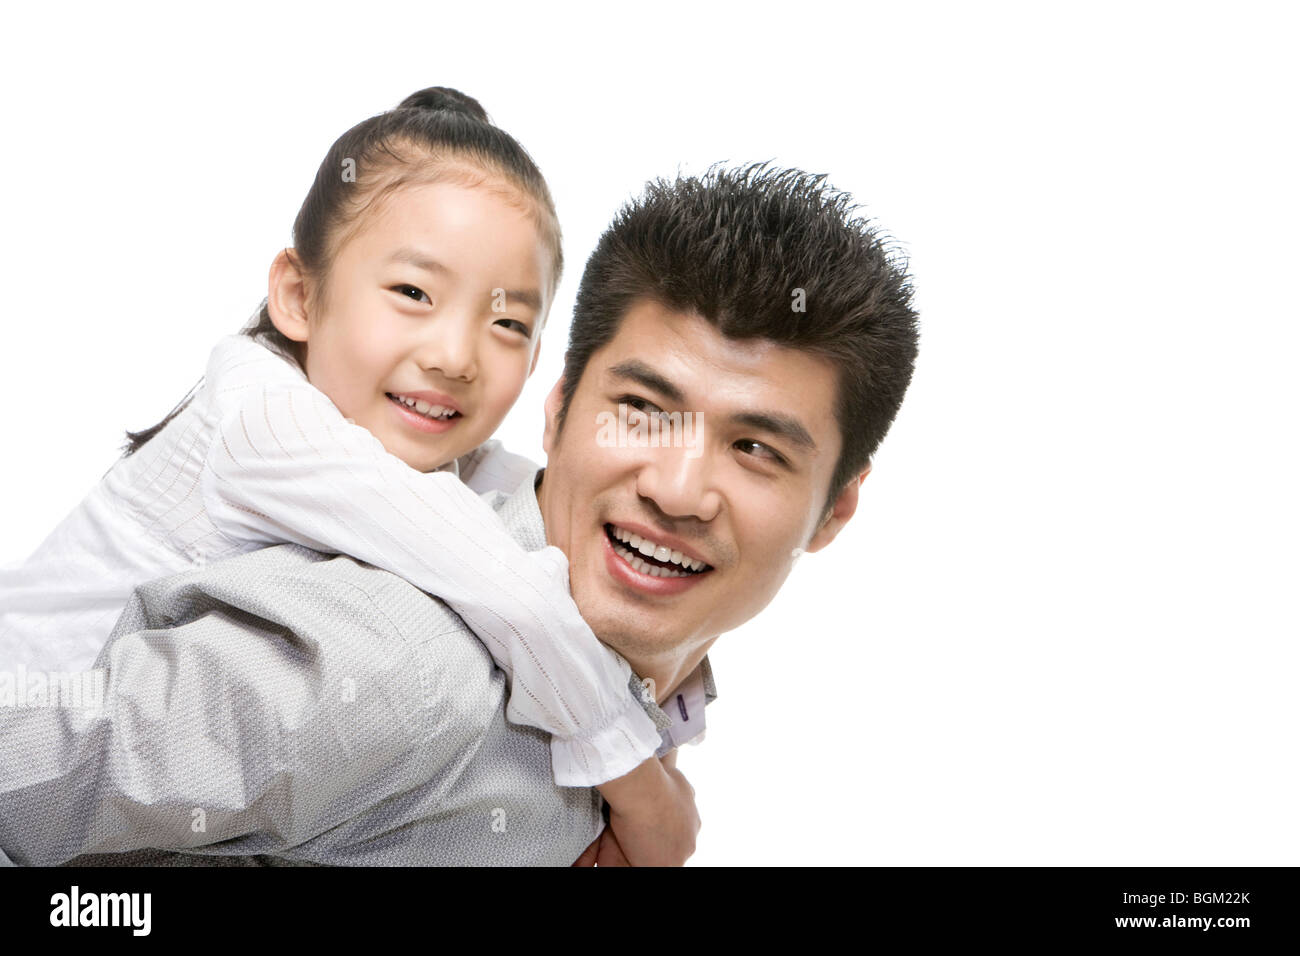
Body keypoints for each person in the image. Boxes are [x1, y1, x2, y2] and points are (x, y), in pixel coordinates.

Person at [0, 162, 920, 866]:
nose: (678, 490)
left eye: (756, 449)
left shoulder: (651, 686)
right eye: (641, 410)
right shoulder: (399, 664)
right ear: (558, 414)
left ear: (834, 508)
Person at [0, 86, 695, 863]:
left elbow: (551, 516)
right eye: (412, 293)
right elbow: (511, 585)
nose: (455, 356)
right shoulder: (264, 419)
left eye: (506, 323)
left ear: (536, 361)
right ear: (299, 296)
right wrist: (648, 793)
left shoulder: (430, 458)